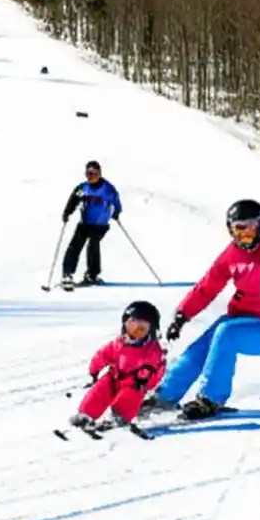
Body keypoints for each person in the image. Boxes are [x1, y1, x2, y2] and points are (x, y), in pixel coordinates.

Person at [144, 199, 260, 420]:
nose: (245, 236)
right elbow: (207, 287)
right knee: (206, 342)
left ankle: (210, 399)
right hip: (240, 319)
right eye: (238, 230)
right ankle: (165, 395)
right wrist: (183, 314)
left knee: (225, 334)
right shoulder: (232, 255)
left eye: (250, 229)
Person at [69, 301, 166, 429]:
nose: (135, 333)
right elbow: (102, 355)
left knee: (130, 396)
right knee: (99, 390)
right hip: (114, 376)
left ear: (151, 331)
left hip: (134, 382)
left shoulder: (153, 350)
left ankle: (119, 417)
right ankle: (86, 415)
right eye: (132, 327)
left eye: (141, 329)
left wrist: (145, 379)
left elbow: (156, 369)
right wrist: (94, 370)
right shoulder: (118, 343)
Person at [59, 160, 122, 288]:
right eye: (88, 173)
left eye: (93, 173)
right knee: (75, 246)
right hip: (85, 223)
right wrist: (67, 213)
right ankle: (67, 274)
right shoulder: (84, 188)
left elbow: (116, 202)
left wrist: (116, 213)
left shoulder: (107, 189)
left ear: (99, 173)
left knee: (93, 245)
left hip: (100, 225)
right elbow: (74, 200)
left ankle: (92, 274)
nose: (90, 176)